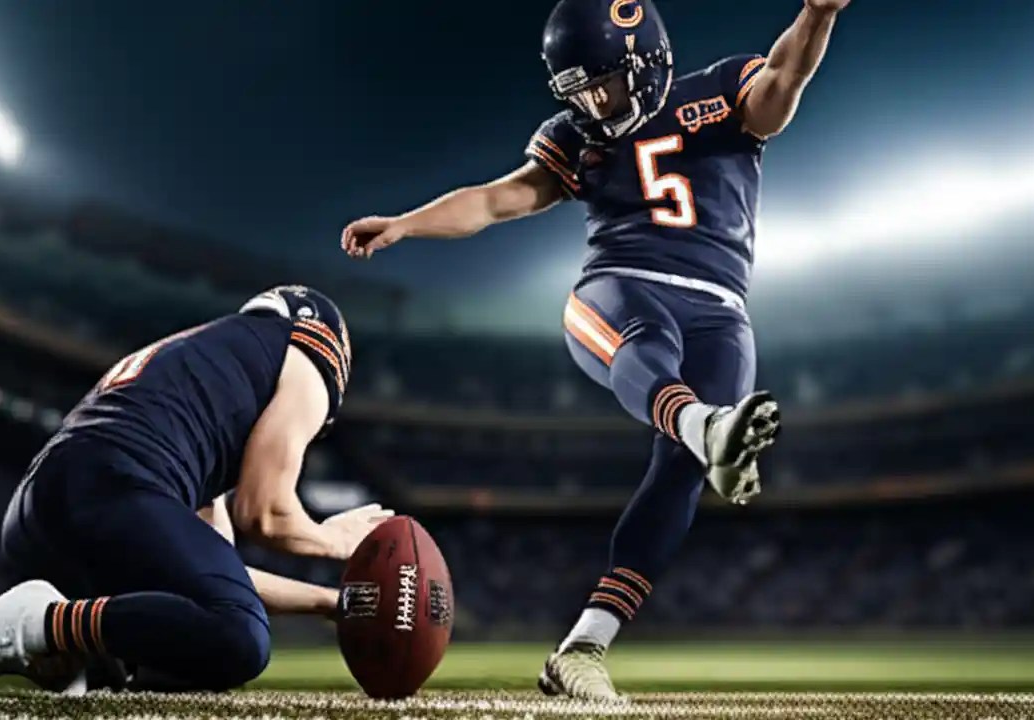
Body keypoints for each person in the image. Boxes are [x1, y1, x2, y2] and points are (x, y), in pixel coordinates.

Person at [340, 0, 851, 701]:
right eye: (574, 88)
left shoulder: (720, 89)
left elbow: (785, 80)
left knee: (677, 476)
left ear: (644, 62)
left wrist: (818, 12)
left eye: (599, 82)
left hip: (722, 313)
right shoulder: (575, 137)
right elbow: (496, 200)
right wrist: (406, 224)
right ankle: (708, 428)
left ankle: (583, 648)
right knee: (657, 362)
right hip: (619, 290)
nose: (588, 100)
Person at [0, 285, 391, 694]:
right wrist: (338, 540)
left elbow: (220, 581)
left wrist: (330, 602)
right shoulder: (305, 351)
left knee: (184, 649)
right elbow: (263, 513)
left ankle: (52, 637)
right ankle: (35, 624)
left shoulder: (202, 388)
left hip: (42, 510)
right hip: (114, 487)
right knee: (238, 640)